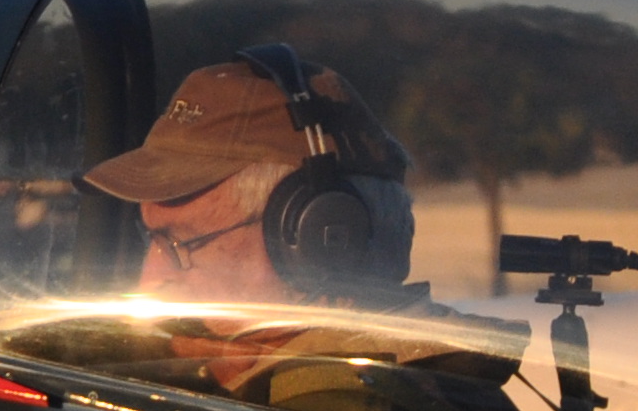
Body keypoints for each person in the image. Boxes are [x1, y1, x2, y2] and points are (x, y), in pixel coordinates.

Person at [83, 51, 417, 307]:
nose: (146, 282)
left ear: (318, 242)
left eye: (179, 244)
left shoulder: (327, 394)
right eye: (151, 240)